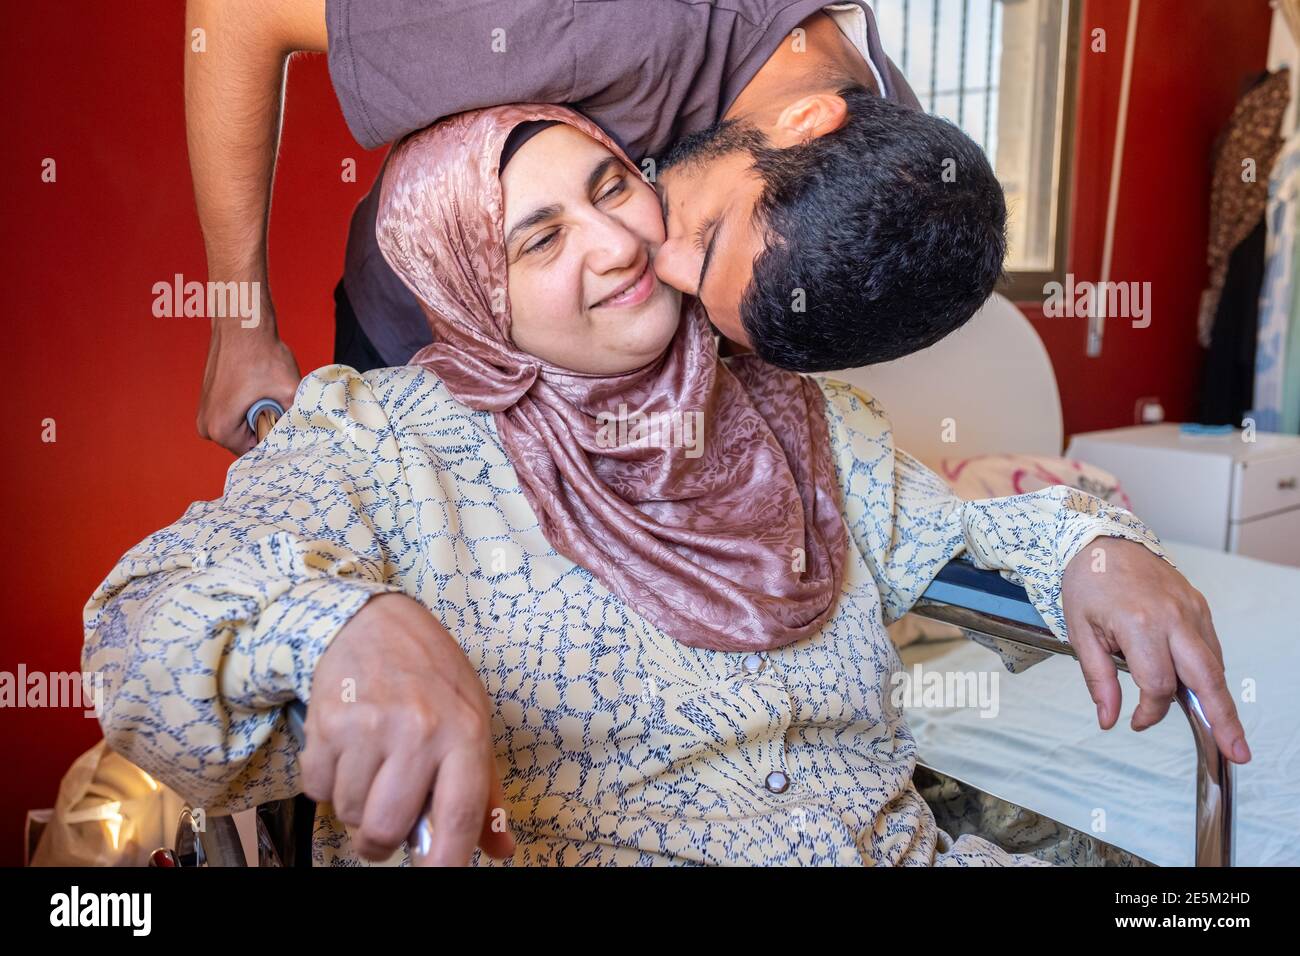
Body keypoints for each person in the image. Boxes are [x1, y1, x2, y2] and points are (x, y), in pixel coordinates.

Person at [84, 105, 1248, 867]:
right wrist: (344, 623)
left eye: (609, 184)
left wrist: (1093, 546)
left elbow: (967, 527)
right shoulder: (385, 439)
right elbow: (149, 627)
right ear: (462, 288)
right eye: (538, 241)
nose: (615, 242)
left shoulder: (802, 415)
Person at [187, 0, 1006, 453]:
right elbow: (236, 16)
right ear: (804, 120)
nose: (652, 266)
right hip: (415, 346)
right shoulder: (600, 21)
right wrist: (241, 331)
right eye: (706, 240)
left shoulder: (893, 158)